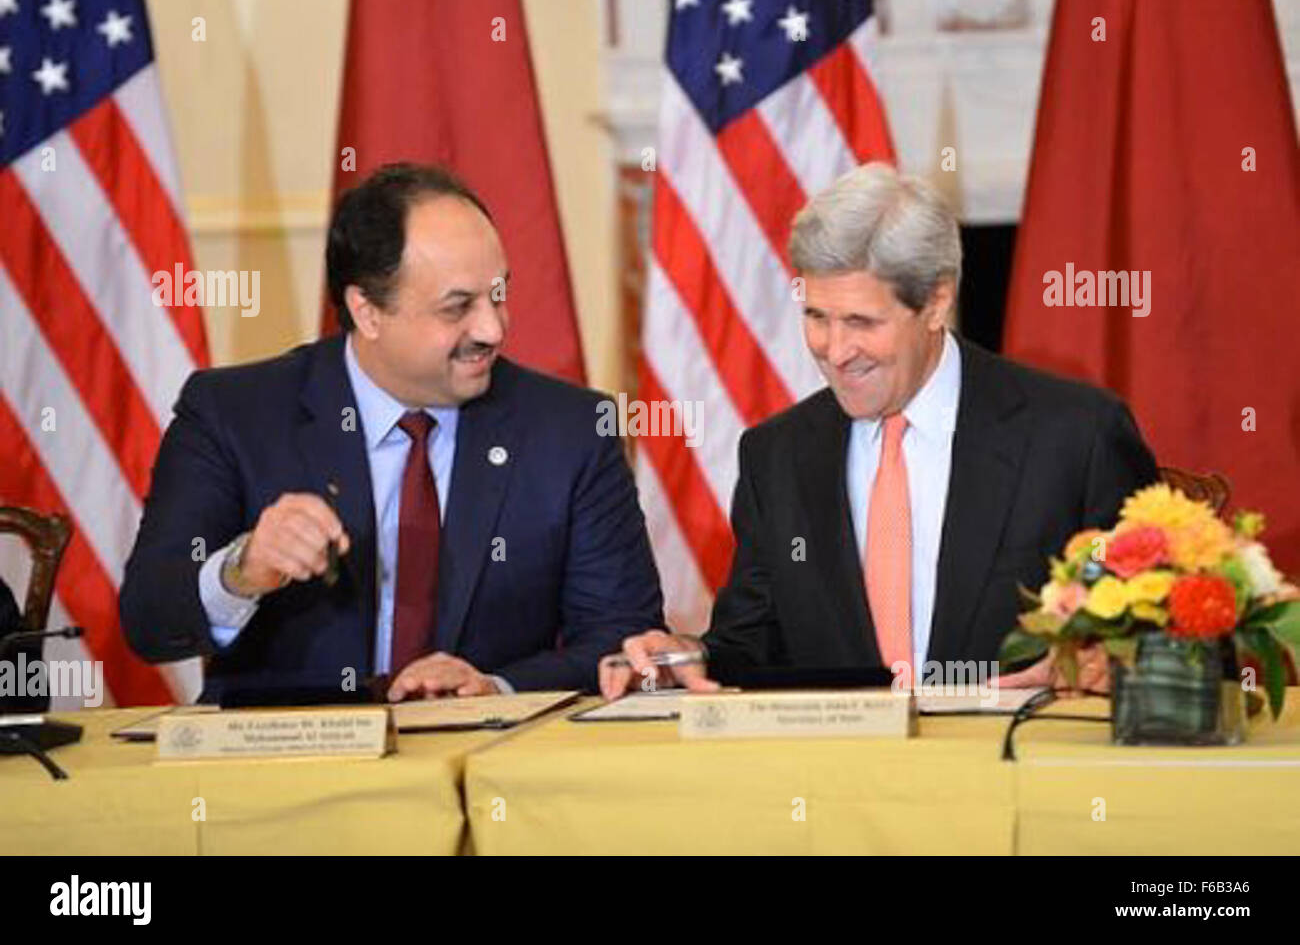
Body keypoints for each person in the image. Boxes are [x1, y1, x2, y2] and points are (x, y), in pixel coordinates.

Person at [600, 163, 1156, 699]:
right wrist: (689, 657)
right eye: (817, 317)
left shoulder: (1076, 438)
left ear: (936, 302)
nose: (835, 352)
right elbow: (754, 642)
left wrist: (1109, 662)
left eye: (861, 322)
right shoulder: (778, 455)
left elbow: (1176, 641)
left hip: (1012, 774)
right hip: (840, 784)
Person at [121, 163, 662, 701]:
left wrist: (496, 688)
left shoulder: (570, 430)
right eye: (459, 307)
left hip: (490, 766)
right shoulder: (235, 414)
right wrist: (242, 570)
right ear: (367, 312)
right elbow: (149, 620)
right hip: (285, 770)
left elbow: (623, 639)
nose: (493, 328)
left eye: (498, 294)